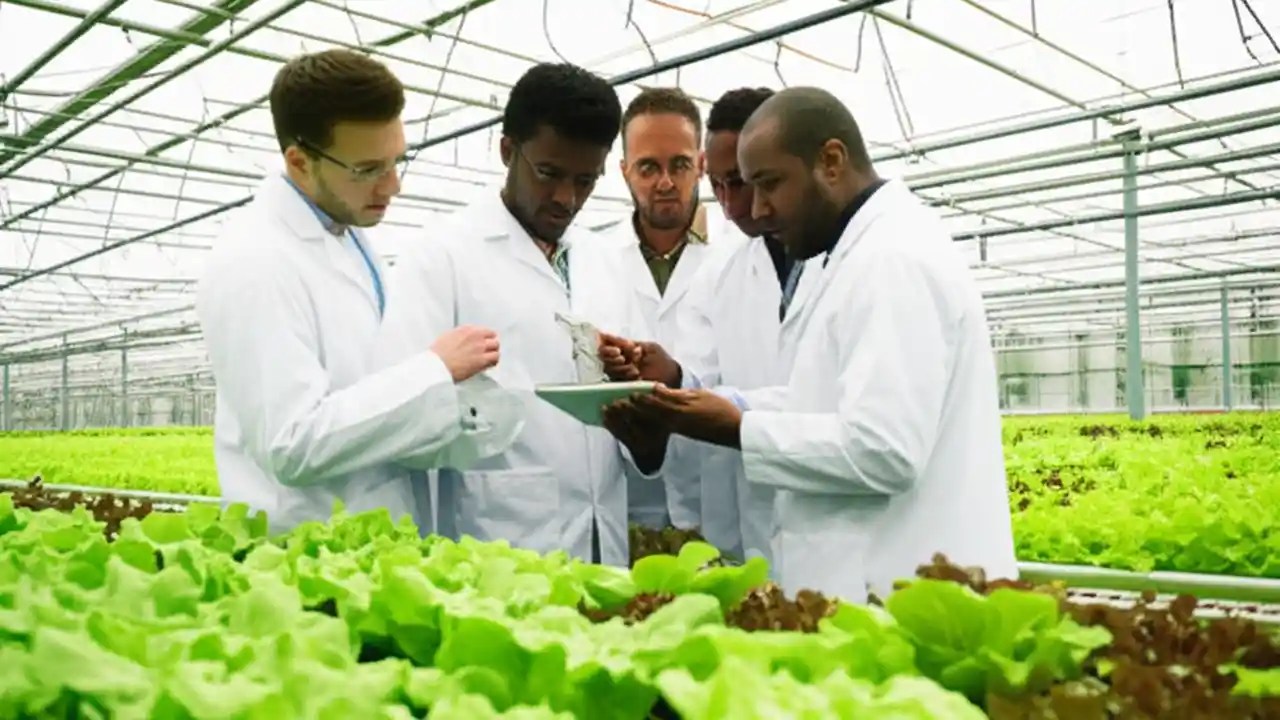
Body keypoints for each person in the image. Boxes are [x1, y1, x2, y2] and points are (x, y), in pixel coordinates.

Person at [607, 86, 1018, 602]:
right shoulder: (853, 255)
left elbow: (884, 450)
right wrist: (720, 404)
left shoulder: (891, 261)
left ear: (831, 161)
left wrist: (741, 428)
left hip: (899, 589)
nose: (756, 208)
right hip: (866, 588)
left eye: (769, 184)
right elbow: (823, 396)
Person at [195, 49, 516, 534]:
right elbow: (291, 443)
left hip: (371, 550)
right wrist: (433, 368)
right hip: (307, 559)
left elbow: (370, 397)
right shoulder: (254, 262)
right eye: (368, 170)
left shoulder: (348, 239)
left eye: (396, 161)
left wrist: (459, 403)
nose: (394, 185)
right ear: (300, 163)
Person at [376, 62, 665, 566]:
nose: (566, 198)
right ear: (508, 149)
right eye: (549, 174)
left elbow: (623, 415)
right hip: (499, 542)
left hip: (604, 537)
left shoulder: (604, 260)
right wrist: (481, 404)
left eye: (586, 180)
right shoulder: (442, 255)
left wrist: (631, 386)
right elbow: (400, 413)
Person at [601, 87, 717, 535]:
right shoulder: (597, 258)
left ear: (702, 165)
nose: (665, 181)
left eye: (680, 164)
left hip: (719, 507)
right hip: (629, 507)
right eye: (648, 167)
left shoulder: (740, 253)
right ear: (625, 171)